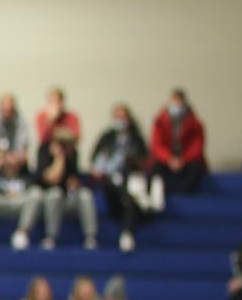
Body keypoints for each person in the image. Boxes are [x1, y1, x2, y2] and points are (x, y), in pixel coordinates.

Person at [88, 104, 153, 252]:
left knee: (130, 199)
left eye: (122, 117)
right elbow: (94, 159)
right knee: (114, 188)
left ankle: (127, 233)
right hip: (111, 184)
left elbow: (144, 160)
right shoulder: (106, 136)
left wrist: (130, 161)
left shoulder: (136, 138)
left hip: (132, 180)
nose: (120, 120)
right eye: (117, 117)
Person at [34, 127, 96, 251]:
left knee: (85, 195)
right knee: (55, 194)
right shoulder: (44, 151)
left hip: (68, 198)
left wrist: (74, 184)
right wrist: (59, 158)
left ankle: (90, 237)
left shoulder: (73, 153)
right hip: (48, 199)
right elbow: (52, 179)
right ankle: (51, 237)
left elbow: (74, 180)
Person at [149, 88, 207, 193]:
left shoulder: (195, 122)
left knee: (195, 168)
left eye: (179, 102)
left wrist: (183, 160)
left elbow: (197, 145)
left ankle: (182, 194)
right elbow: (156, 145)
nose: (176, 105)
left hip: (187, 160)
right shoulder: (160, 121)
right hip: (167, 159)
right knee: (155, 168)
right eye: (174, 102)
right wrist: (169, 159)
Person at [0, 93, 31, 162]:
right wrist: (0, 156)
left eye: (10, 110)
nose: (7, 114)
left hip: (15, 158)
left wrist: (14, 156)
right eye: (4, 110)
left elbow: (23, 145)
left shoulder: (21, 122)